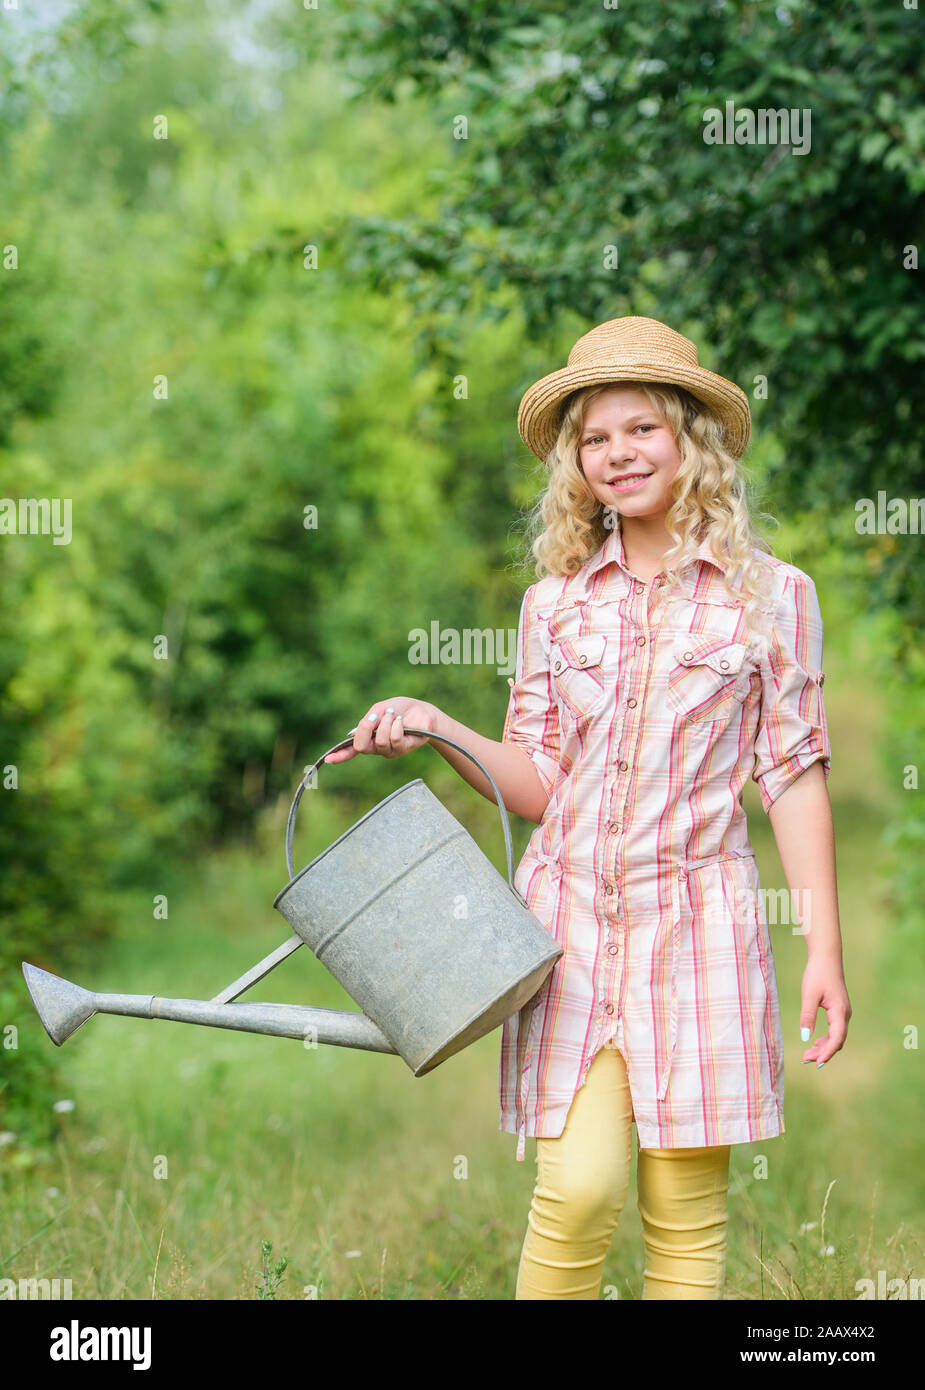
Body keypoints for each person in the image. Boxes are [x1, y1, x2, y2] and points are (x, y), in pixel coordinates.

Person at [323, 315, 851, 1300]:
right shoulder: (555, 603)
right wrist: (440, 724)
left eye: (641, 428)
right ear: (575, 464)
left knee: (685, 1219)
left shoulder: (771, 598)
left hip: (697, 929)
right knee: (575, 1191)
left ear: (690, 440)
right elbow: (536, 779)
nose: (618, 454)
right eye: (595, 438)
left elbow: (791, 774)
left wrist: (821, 945)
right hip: (565, 932)